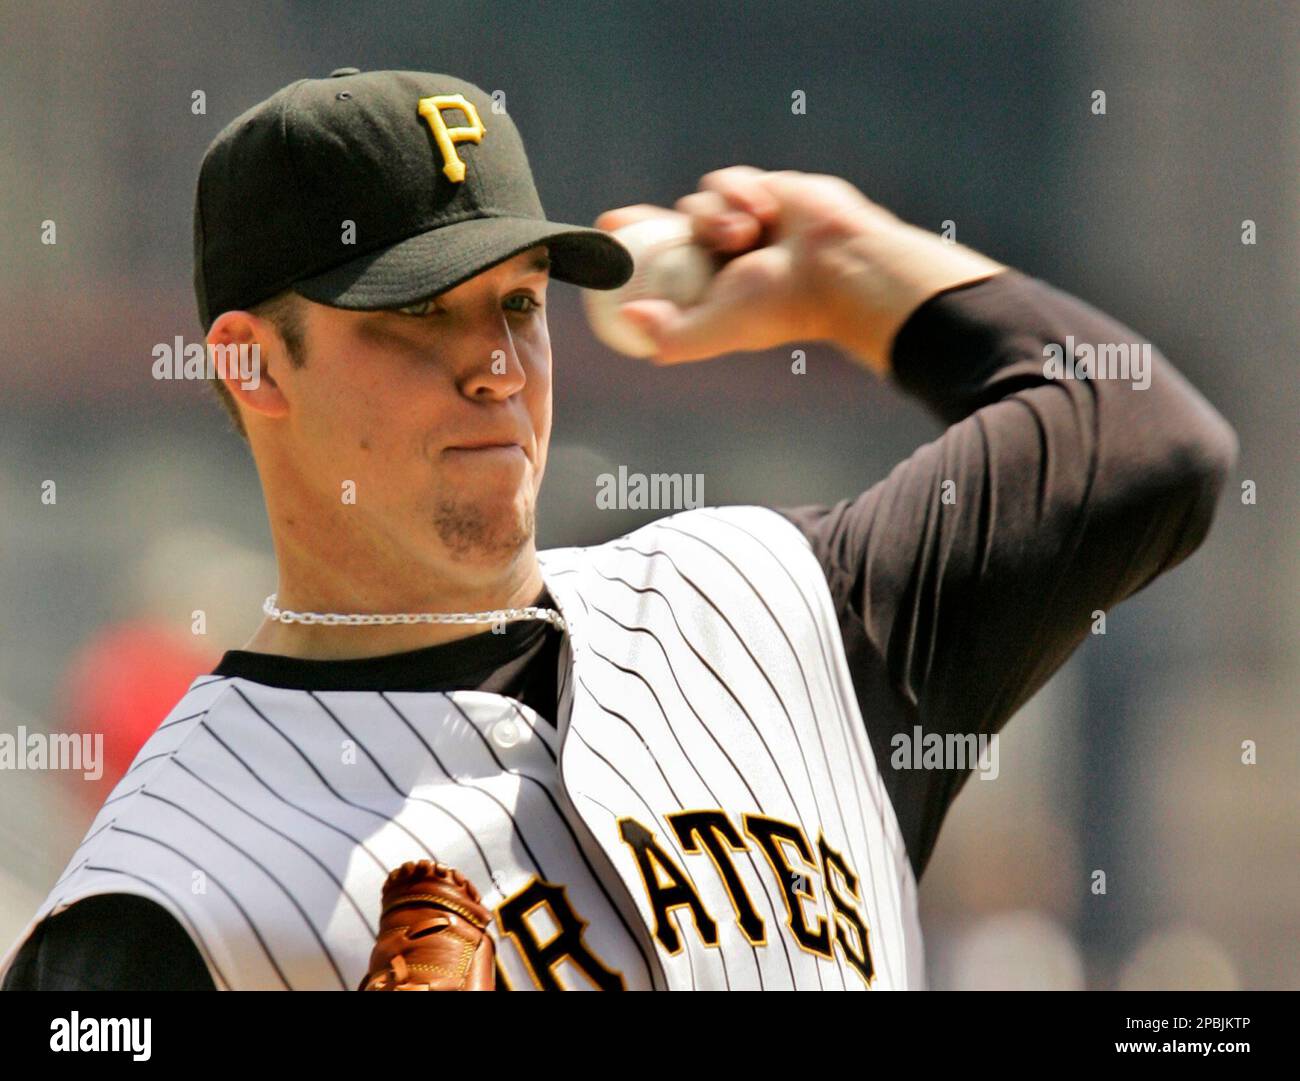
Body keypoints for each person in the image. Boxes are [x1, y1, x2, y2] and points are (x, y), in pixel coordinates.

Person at [1, 69, 1236, 991]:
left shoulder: (772, 605)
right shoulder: (155, 901)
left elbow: (1144, 446)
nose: (494, 365)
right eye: (417, 315)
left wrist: (849, 270)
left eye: (521, 304)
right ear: (255, 366)